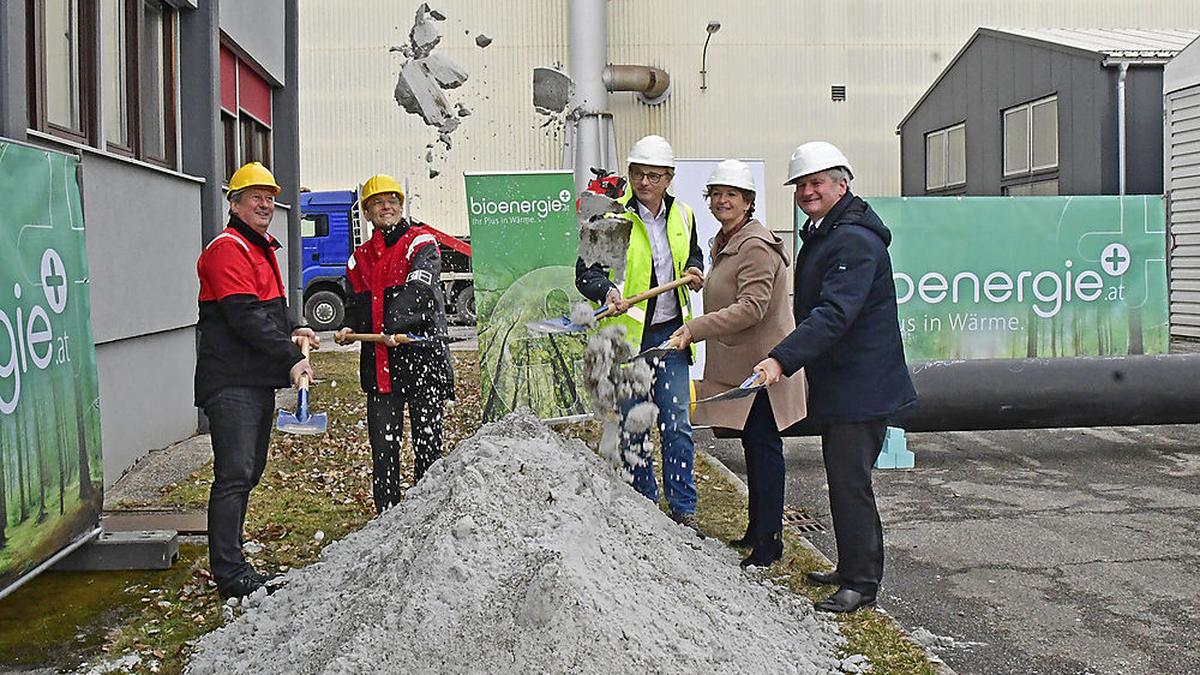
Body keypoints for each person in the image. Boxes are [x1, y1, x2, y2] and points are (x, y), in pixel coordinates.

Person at [754, 142, 916, 613]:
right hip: (844, 383)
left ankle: (862, 583)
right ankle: (850, 567)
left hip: (862, 385)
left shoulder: (853, 240)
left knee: (850, 484)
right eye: (801, 185)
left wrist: (781, 359)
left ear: (842, 184)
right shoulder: (827, 231)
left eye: (816, 183)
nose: (807, 192)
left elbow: (834, 314)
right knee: (842, 479)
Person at [669, 159, 806, 567]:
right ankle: (757, 529)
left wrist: (695, 327)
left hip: (765, 367)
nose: (722, 201)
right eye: (716, 194)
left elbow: (752, 308)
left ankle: (769, 545)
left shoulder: (757, 246)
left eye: (732, 195)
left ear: (748, 201)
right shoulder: (726, 240)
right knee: (754, 447)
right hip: (744, 363)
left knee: (765, 450)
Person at [195, 161, 318, 599]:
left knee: (248, 473)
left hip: (253, 381)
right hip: (230, 382)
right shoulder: (228, 248)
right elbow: (244, 315)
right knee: (235, 473)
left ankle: (234, 562)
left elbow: (268, 311)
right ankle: (230, 575)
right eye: (255, 197)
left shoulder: (261, 247)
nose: (265, 203)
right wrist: (291, 359)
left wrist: (296, 327)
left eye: (269, 196)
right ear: (235, 204)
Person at [575, 134, 705, 531]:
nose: (644, 182)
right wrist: (608, 290)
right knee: (635, 420)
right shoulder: (614, 219)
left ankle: (684, 507)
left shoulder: (683, 216)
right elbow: (586, 274)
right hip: (630, 340)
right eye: (638, 174)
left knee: (677, 421)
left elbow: (693, 255)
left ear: (669, 178)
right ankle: (644, 503)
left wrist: (695, 269)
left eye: (653, 175)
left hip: (672, 335)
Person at [335, 174, 454, 514]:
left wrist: (392, 325)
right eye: (378, 202)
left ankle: (428, 513)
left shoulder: (421, 242)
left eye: (392, 201)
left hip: (421, 359)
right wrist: (348, 326)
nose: (386, 207)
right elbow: (356, 305)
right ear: (367, 212)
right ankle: (387, 515)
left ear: (401, 207)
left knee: (427, 443)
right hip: (381, 369)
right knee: (384, 448)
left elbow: (420, 291)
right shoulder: (359, 258)